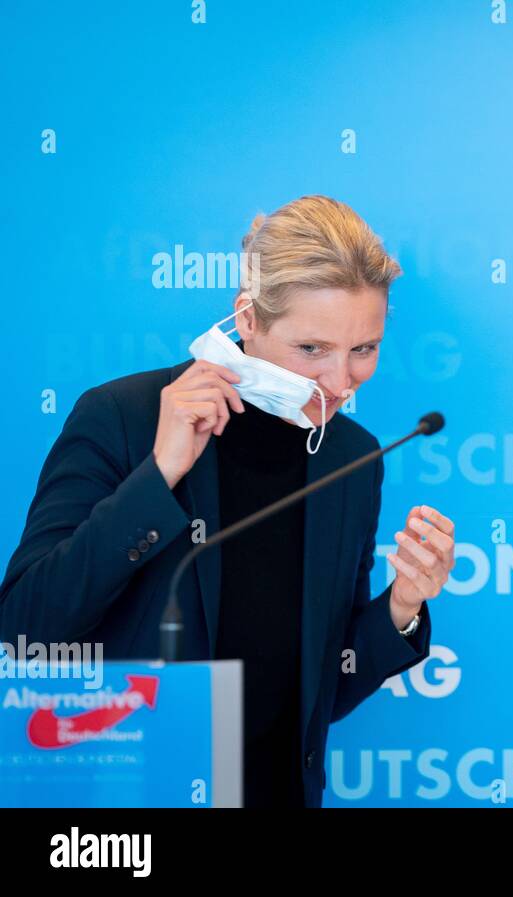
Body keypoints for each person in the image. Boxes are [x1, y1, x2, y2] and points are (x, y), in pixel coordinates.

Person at [0, 195, 455, 807]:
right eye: (312, 349)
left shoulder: (353, 458)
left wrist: (401, 606)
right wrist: (158, 475)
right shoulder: (123, 417)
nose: (341, 382)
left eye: (364, 350)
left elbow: (324, 695)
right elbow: (26, 628)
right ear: (247, 318)